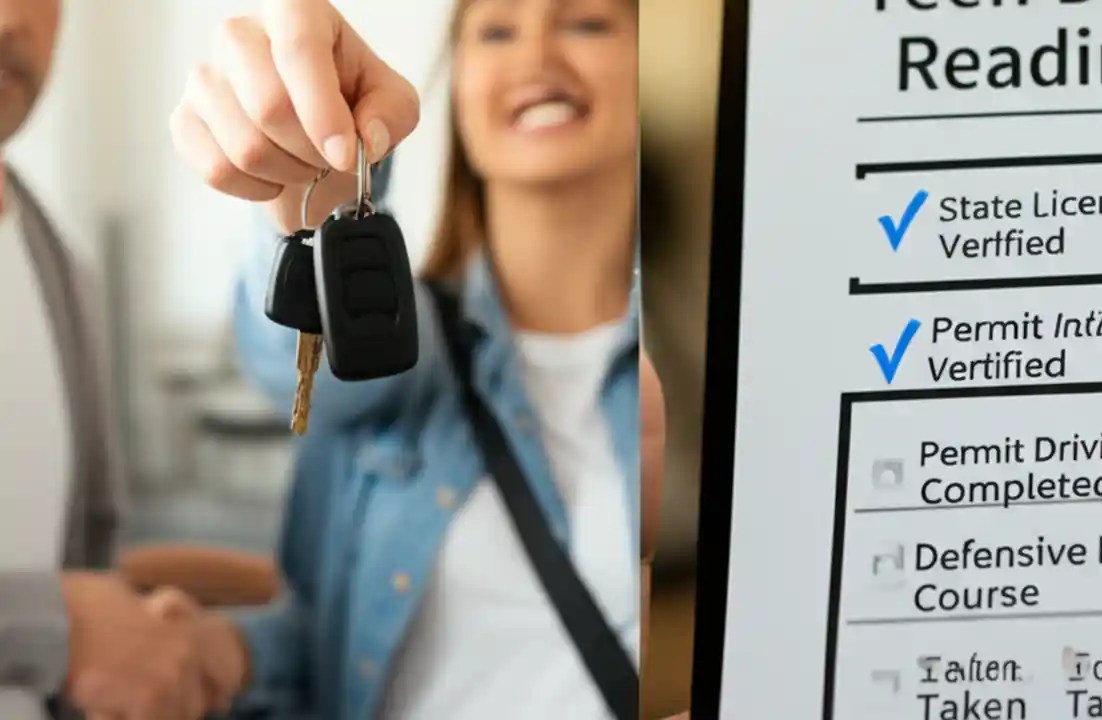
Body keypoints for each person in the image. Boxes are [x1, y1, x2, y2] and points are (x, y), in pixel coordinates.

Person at [165, 0, 644, 716]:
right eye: (497, 31)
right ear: (457, 91)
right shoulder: (405, 352)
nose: (536, 57)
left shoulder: (716, 365)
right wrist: (307, 192)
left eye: (587, 23)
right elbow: (299, 370)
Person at [0, 2, 222, 719]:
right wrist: (47, 625)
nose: (11, 19)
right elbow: (58, 613)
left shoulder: (60, 267)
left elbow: (74, 570)